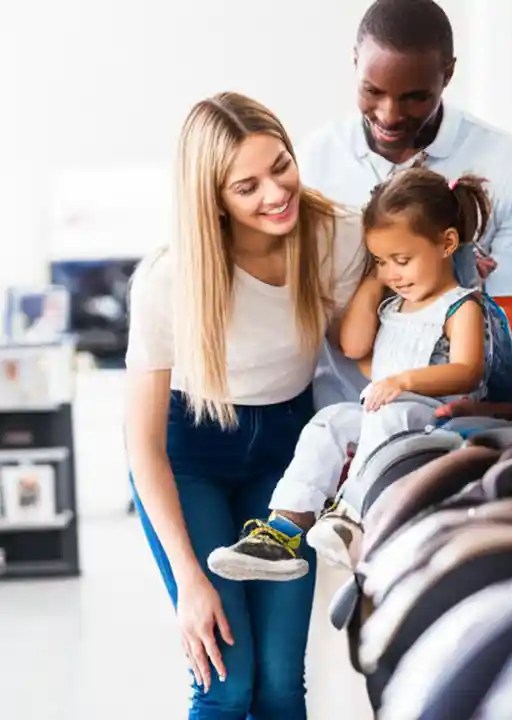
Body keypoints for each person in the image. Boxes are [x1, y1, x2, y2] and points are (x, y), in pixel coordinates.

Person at [123, 92, 367, 719]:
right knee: (226, 684)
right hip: (189, 458)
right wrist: (187, 582)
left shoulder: (335, 234)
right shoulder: (168, 280)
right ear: (214, 197)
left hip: (286, 456)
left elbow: (363, 343)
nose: (275, 193)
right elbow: (142, 445)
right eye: (247, 185)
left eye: (281, 165)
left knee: (282, 684)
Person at [206, 166, 492, 581]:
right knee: (329, 421)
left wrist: (402, 381)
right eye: (381, 261)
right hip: (385, 415)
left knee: (387, 415)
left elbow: (467, 371)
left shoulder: (459, 306)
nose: (393, 272)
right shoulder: (394, 306)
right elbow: (355, 347)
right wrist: (375, 283)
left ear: (447, 243)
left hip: (437, 420)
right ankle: (283, 531)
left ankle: (350, 516)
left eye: (402, 260)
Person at [299, 0, 512, 414]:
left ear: (448, 74)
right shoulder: (313, 162)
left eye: (415, 98)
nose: (389, 115)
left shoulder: (507, 167)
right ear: (354, 63)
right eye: (372, 91)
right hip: (335, 408)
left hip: (449, 418)